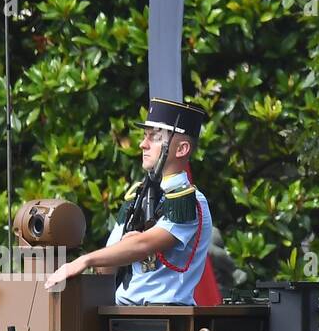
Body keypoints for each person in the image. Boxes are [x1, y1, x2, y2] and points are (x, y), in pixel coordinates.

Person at [45, 97, 212, 305]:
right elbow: (107, 270)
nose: (143, 144)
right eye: (144, 136)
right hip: (121, 313)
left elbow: (144, 245)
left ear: (181, 149)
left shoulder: (188, 201)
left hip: (166, 316)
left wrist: (84, 260)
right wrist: (121, 248)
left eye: (154, 137)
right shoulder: (137, 197)